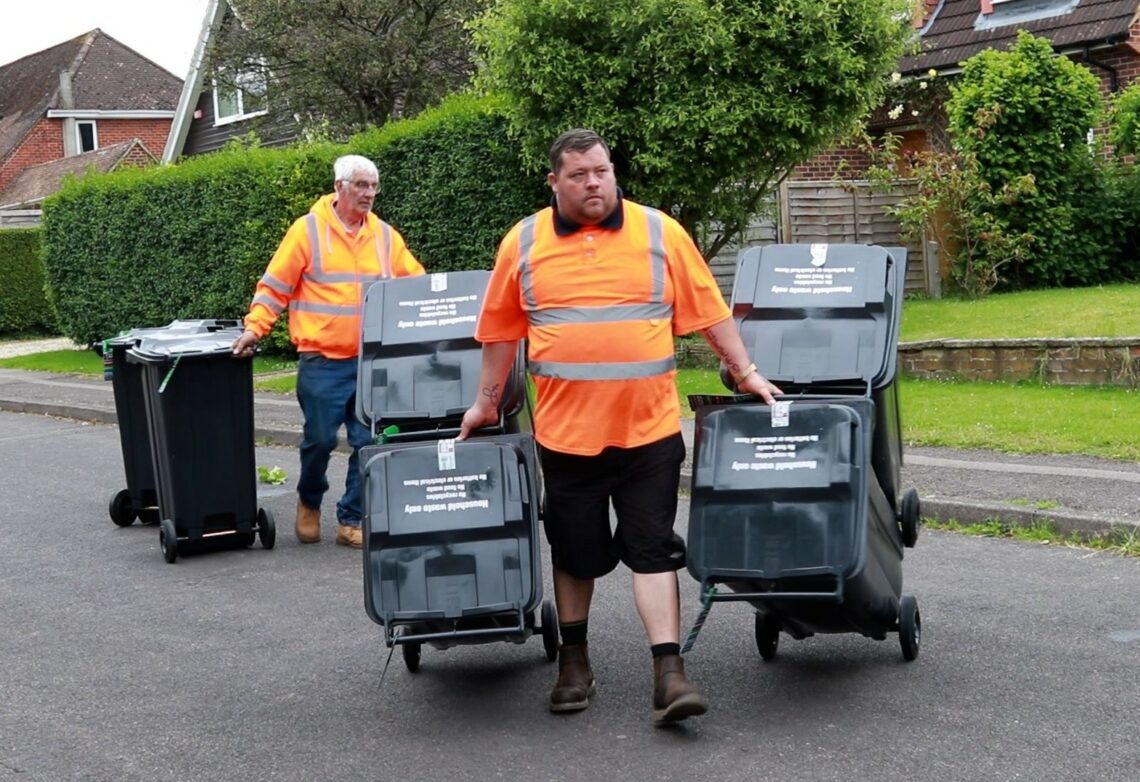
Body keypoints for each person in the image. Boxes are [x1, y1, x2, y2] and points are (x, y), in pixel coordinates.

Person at [458, 129, 779, 724]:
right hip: (565, 437)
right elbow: (500, 333)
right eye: (579, 175)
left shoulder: (659, 232)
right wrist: (484, 401)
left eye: (602, 171)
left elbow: (710, 311)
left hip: (649, 431)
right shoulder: (523, 242)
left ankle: (670, 673)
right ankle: (574, 663)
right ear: (554, 181)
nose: (594, 183)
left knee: (653, 549)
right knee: (575, 554)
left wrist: (747, 371)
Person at [232, 154, 424, 549]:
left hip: (372, 361)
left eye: (373, 186)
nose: (369, 194)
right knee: (319, 439)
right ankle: (309, 499)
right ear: (339, 187)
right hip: (322, 360)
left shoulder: (386, 236)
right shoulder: (307, 232)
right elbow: (275, 286)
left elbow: (415, 286)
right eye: (361, 186)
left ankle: (351, 518)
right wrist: (255, 328)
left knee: (369, 442)